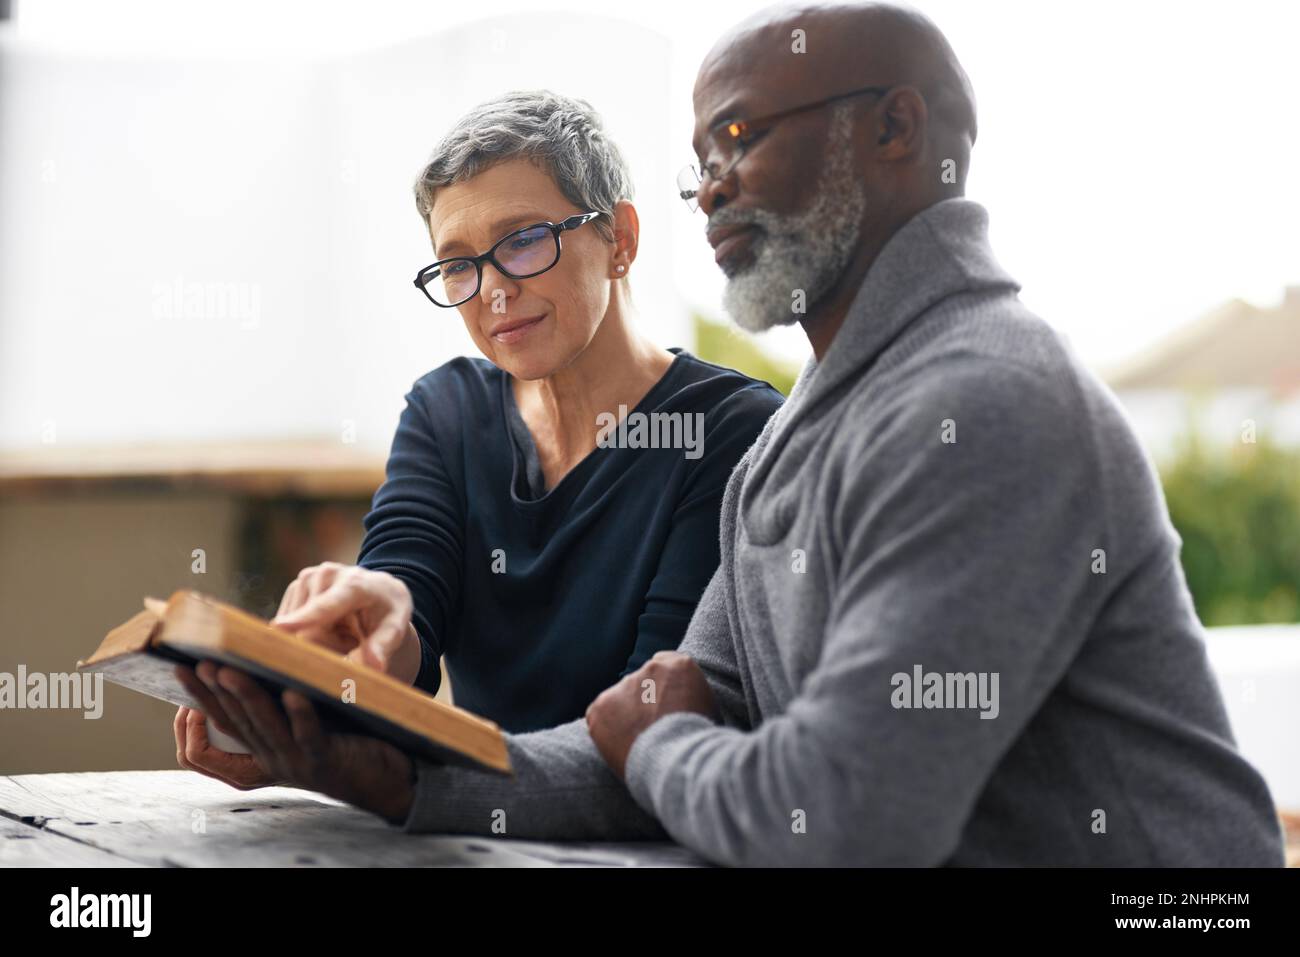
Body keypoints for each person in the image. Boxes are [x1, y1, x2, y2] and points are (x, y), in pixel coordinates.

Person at [175, 3, 1285, 867]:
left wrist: (654, 734)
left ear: (895, 129)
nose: (709, 190)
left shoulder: (981, 406)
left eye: (740, 138)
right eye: (699, 155)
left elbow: (840, 817)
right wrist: (386, 777)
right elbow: (651, 730)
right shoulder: (801, 433)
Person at [172, 90, 782, 793]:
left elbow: (647, 724)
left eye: (522, 240)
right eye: (458, 263)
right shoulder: (446, 410)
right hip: (475, 826)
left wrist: (368, 773)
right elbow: (408, 611)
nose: (492, 289)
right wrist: (354, 650)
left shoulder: (729, 430)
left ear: (620, 240)